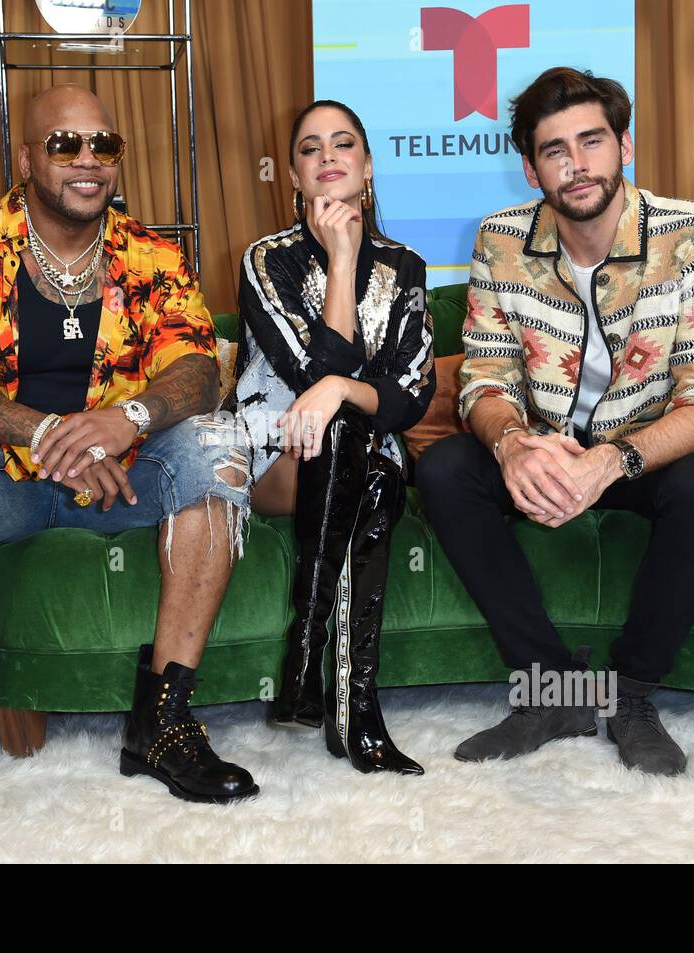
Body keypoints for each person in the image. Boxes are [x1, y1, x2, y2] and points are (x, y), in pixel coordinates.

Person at [0, 86, 258, 827]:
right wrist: (46, 433)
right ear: (25, 158)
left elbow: (200, 367)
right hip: (9, 481)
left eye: (103, 145)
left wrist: (129, 417)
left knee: (219, 443)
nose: (88, 161)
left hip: (124, 478)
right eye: (64, 145)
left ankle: (165, 722)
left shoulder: (151, 255)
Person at [417, 68, 694, 776]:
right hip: (547, 450)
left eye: (592, 141)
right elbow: (484, 378)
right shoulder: (502, 240)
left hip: (650, 454)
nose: (576, 163)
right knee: (446, 468)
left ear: (624, 145)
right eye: (554, 149)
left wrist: (612, 461)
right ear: (531, 166)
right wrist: (511, 446)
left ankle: (631, 693)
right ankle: (553, 692)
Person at [228, 100, 436, 775]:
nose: (328, 157)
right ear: (293, 175)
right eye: (311, 149)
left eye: (344, 144)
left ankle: (333, 686)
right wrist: (343, 263)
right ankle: (337, 689)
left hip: (366, 452)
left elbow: (411, 395)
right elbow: (311, 375)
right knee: (343, 423)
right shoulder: (267, 261)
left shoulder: (406, 267)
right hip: (275, 452)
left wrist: (347, 391)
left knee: (370, 464)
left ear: (368, 166)